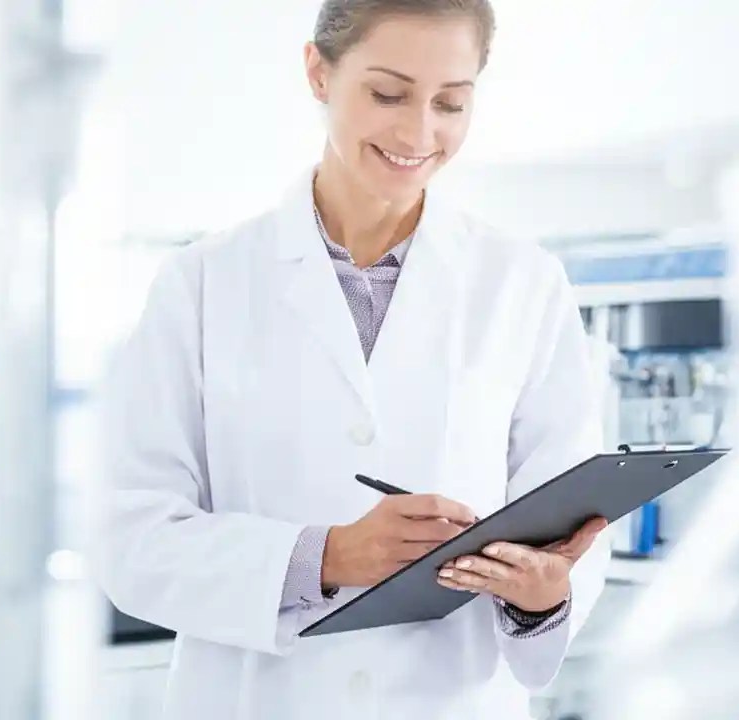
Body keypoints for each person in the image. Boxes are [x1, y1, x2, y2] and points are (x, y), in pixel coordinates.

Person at [97, 1, 611, 718]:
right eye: (388, 93)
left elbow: (567, 529)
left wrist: (542, 595)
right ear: (319, 72)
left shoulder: (523, 284)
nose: (418, 131)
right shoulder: (204, 282)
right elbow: (133, 538)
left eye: (451, 103)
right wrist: (327, 555)